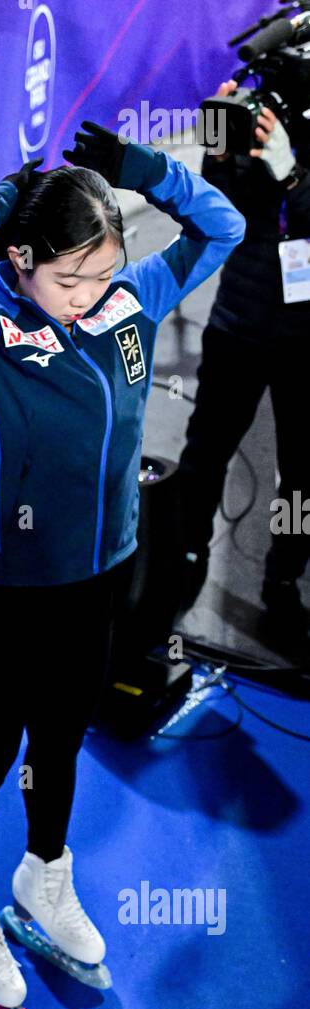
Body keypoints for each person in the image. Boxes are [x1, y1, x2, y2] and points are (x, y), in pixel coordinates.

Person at [0, 121, 245, 1006]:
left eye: (100, 271)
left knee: (59, 741)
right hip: (2, 594)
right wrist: (0, 202)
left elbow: (225, 227)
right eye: (67, 277)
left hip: (98, 581)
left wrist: (146, 173)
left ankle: (44, 872)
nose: (88, 295)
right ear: (18, 263)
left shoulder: (129, 305)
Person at [176, 79, 310, 656]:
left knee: (302, 474)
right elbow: (211, 215)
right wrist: (218, 149)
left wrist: (291, 172)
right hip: (239, 321)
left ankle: (281, 579)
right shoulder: (256, 108)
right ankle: (184, 561)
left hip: (306, 338)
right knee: (203, 456)